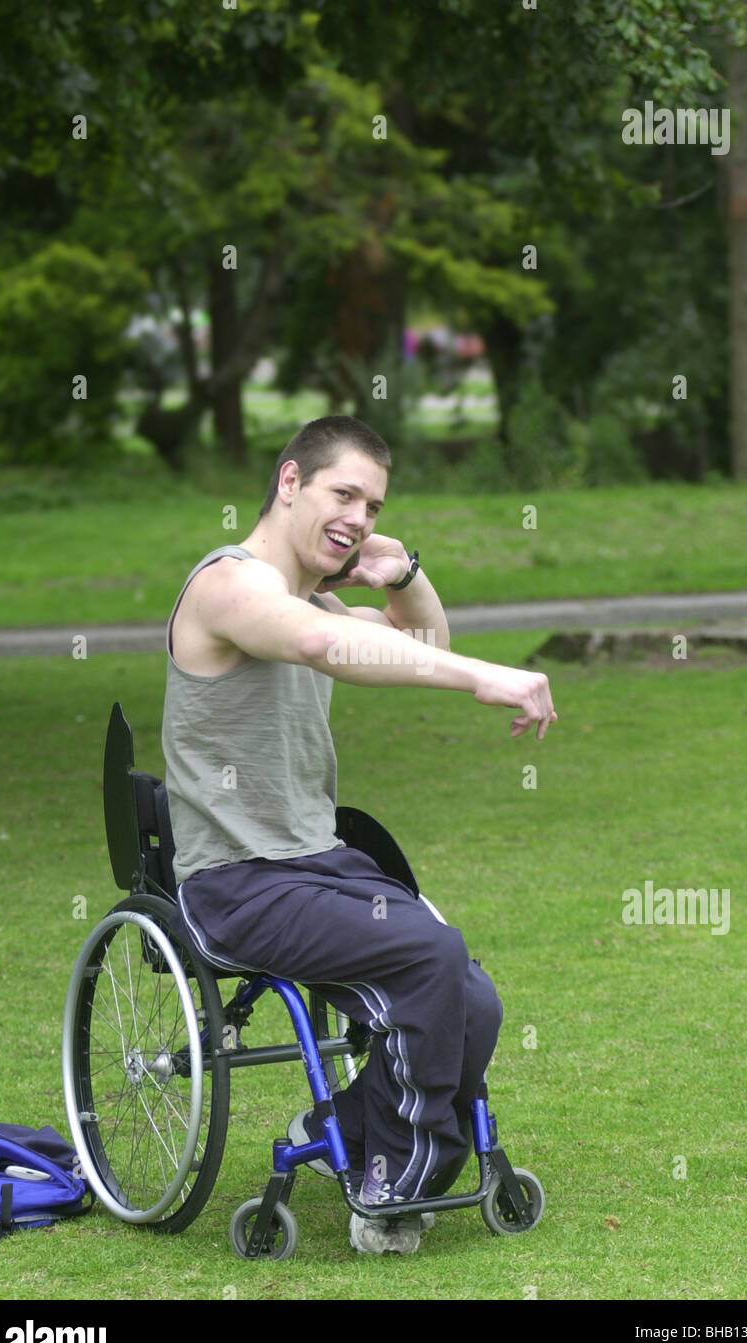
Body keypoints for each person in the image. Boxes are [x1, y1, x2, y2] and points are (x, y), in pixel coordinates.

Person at [161, 415, 557, 1255]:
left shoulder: (317, 596)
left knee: (472, 999)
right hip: (235, 882)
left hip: (318, 863)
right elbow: (323, 646)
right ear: (291, 481)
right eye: (346, 493)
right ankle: (393, 1184)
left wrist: (403, 572)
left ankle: (341, 1122)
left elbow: (418, 645)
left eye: (374, 504)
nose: (361, 516)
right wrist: (487, 678)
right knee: (429, 960)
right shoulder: (229, 588)